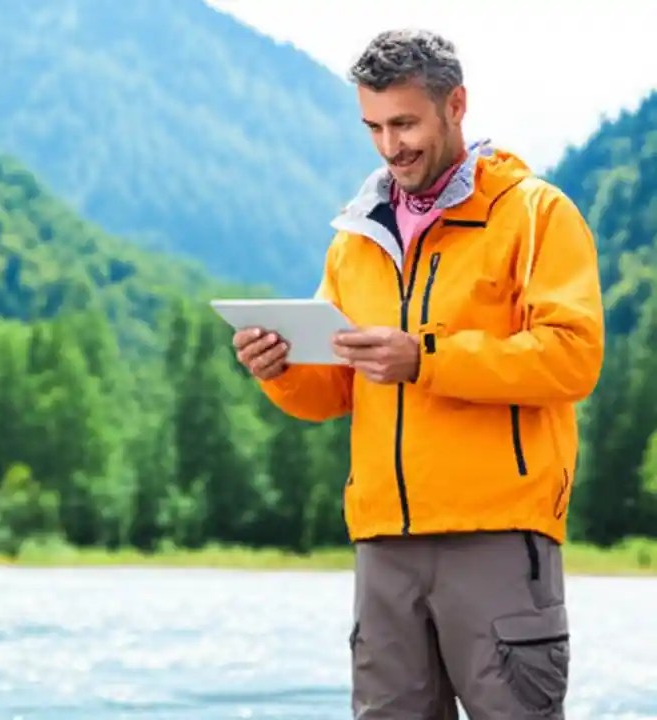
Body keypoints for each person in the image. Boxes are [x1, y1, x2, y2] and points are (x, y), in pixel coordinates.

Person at [232, 29, 605, 720]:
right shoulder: (356, 239)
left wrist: (425, 357)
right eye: (373, 126)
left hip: (496, 536)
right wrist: (278, 370)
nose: (388, 145)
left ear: (455, 105)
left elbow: (572, 356)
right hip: (384, 543)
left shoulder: (535, 215)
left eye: (404, 122)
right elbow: (334, 389)